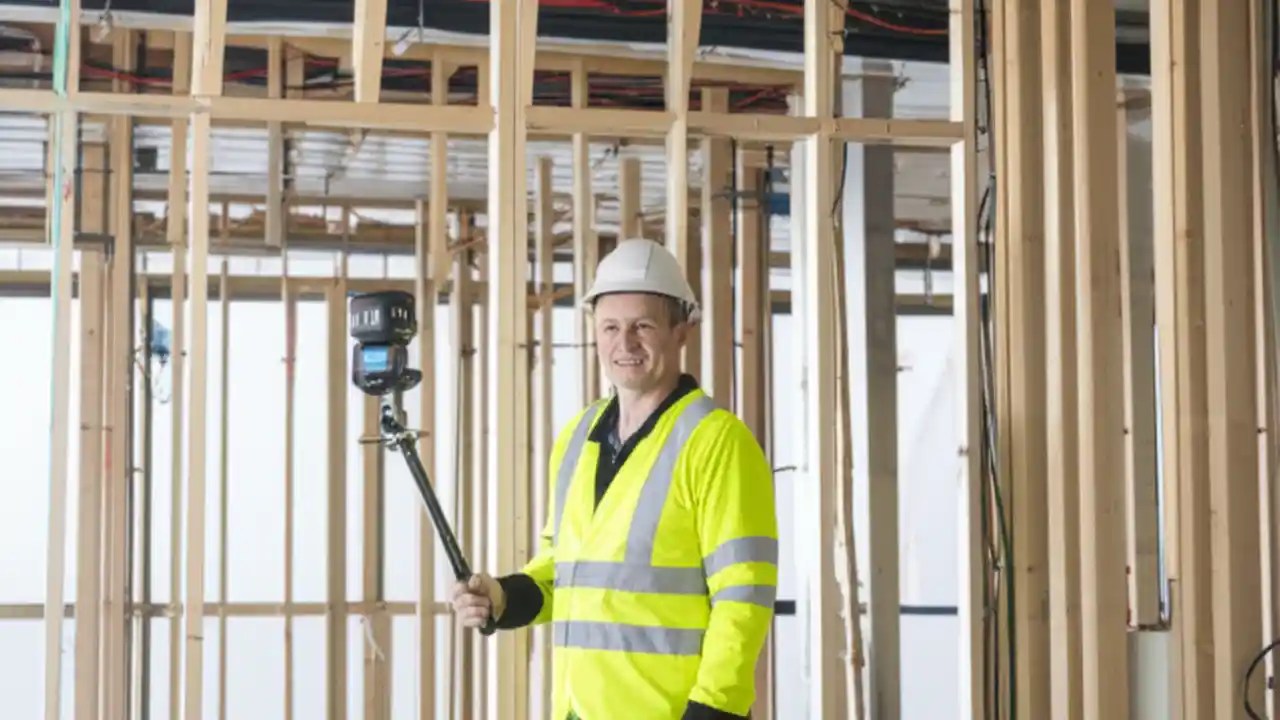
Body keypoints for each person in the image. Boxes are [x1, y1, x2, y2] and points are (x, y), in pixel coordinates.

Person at [451, 238, 778, 720]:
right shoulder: (578, 436)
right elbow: (563, 571)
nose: (624, 344)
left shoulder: (717, 442)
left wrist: (714, 710)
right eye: (610, 327)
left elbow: (743, 596)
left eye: (642, 326)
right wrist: (503, 597)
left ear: (681, 331)